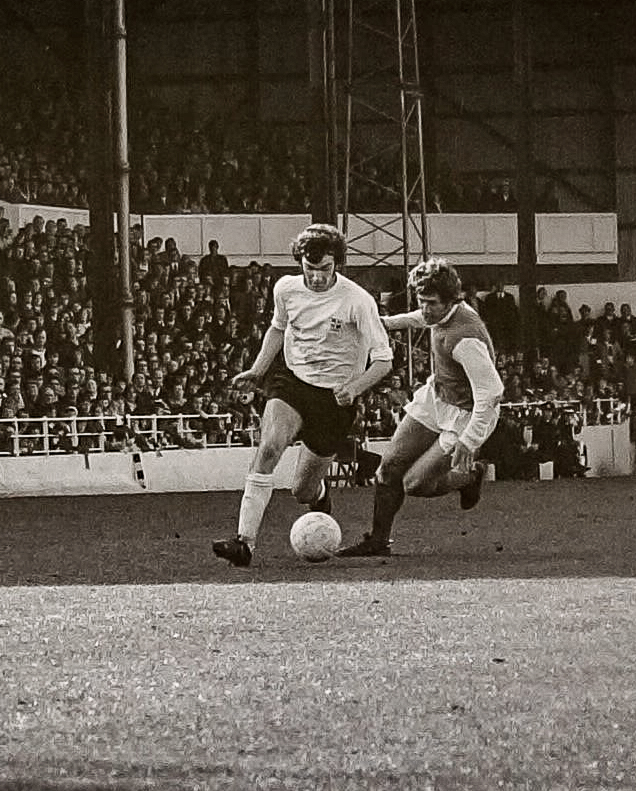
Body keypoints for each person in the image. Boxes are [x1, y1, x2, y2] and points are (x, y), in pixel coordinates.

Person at [212, 223, 393, 567]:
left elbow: (384, 360)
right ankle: (244, 542)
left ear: (336, 263)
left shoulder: (358, 301)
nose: (317, 278)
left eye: (325, 269)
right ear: (300, 263)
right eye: (310, 269)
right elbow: (278, 328)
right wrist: (259, 369)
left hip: (335, 400)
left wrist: (354, 388)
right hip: (292, 383)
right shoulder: (286, 289)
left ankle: (320, 497)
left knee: (302, 491)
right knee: (268, 448)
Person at [337, 258, 504, 558]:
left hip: (466, 416)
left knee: (415, 483)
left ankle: (471, 475)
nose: (425, 308)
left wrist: (470, 440)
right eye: (421, 300)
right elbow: (421, 318)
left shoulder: (465, 338)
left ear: (451, 300)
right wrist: (388, 324)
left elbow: (491, 393)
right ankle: (378, 540)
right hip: (437, 396)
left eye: (430, 303)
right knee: (388, 467)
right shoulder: (442, 312)